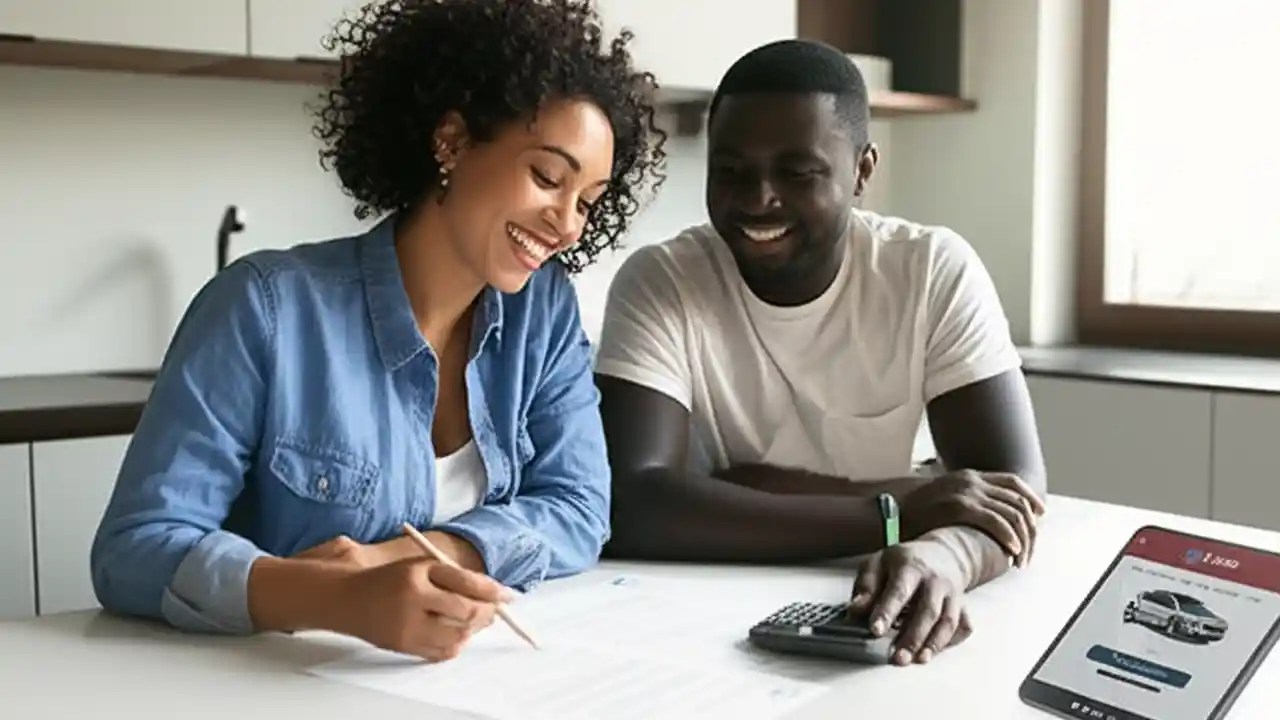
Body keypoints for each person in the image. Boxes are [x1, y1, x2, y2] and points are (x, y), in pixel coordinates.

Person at [91, 0, 665, 663]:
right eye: (547, 178)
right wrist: (330, 596)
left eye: (588, 202)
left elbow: (579, 505)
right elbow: (134, 548)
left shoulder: (544, 314)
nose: (568, 225)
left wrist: (416, 556)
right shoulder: (264, 309)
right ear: (452, 142)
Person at [594, 39, 1047, 667]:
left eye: (797, 172)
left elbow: (1011, 492)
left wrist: (941, 552)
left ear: (862, 169)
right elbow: (630, 503)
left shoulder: (931, 270)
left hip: (882, 602)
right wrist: (896, 511)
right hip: (703, 605)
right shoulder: (663, 281)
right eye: (729, 171)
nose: (758, 198)